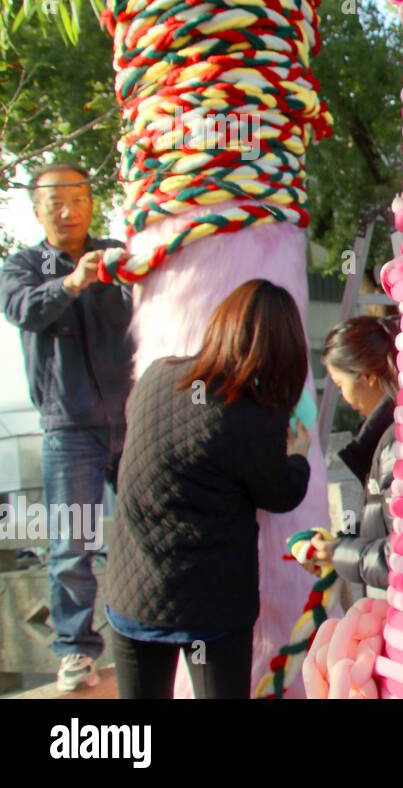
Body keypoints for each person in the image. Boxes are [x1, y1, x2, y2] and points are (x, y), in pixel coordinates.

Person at [104, 279, 311, 699]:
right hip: (211, 609)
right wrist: (300, 456)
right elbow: (279, 492)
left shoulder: (156, 377)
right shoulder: (252, 416)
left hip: (134, 592)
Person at [0, 162, 135, 692]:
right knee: (71, 544)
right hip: (69, 429)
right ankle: (77, 652)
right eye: (56, 200)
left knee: (146, 531)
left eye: (78, 198)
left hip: (131, 420)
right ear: (37, 209)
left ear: (91, 204)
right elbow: (23, 309)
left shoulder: (116, 254)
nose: (68, 209)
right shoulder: (22, 265)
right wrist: (72, 282)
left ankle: (144, 630)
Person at [299, 315, 399, 596]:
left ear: (367, 376)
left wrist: (339, 552)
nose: (342, 397)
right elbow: (384, 521)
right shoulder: (388, 437)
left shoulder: (395, 442)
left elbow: (400, 556)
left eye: (340, 383)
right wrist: (341, 542)